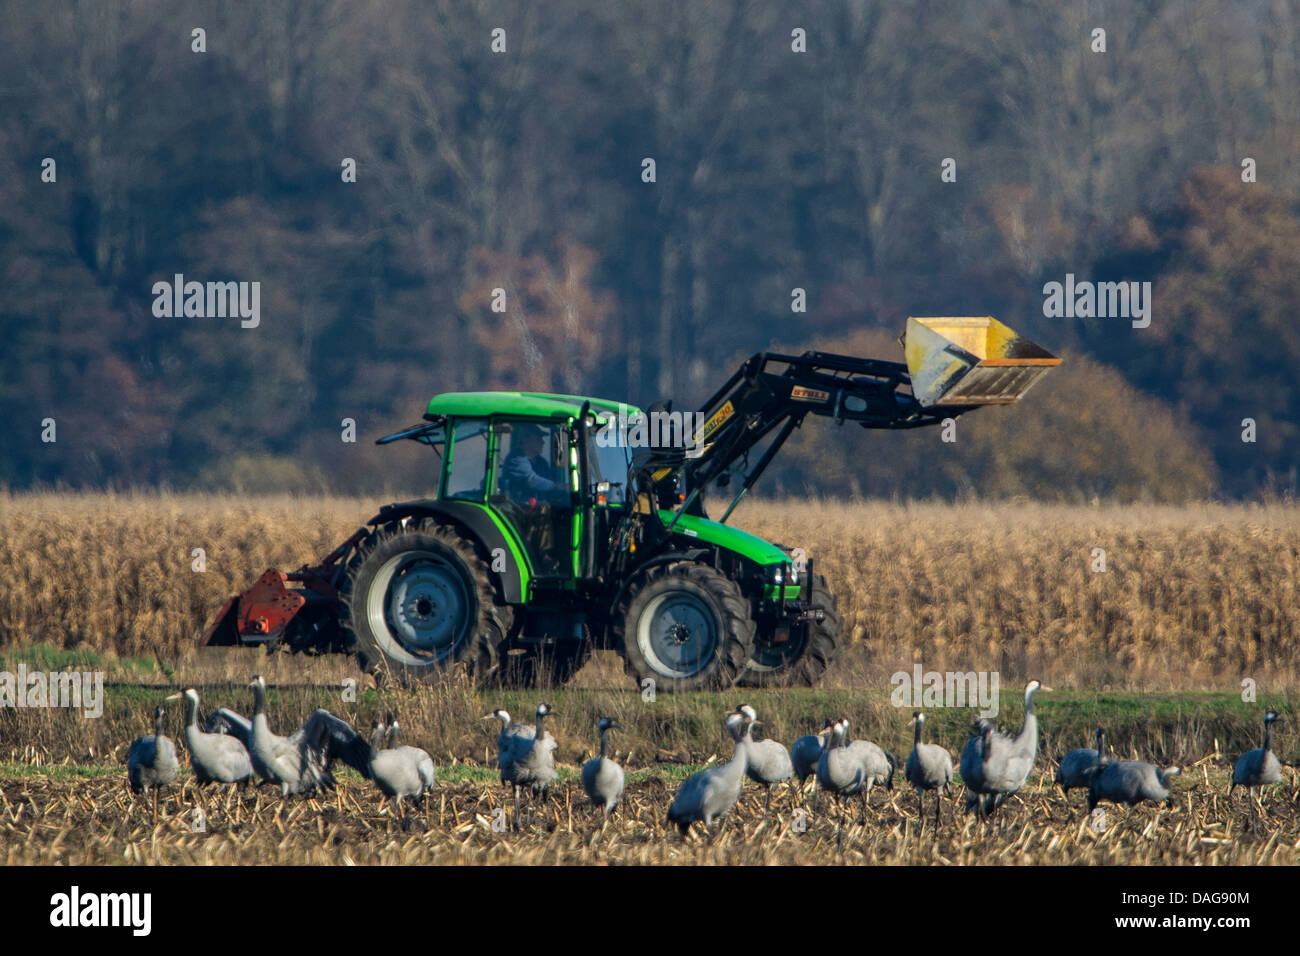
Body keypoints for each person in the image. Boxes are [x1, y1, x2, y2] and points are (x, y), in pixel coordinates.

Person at [502, 424, 567, 502]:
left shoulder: (542, 463)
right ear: (525, 440)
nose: (542, 442)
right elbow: (531, 481)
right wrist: (559, 486)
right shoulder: (515, 459)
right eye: (538, 439)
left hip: (539, 507)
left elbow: (549, 483)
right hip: (517, 508)